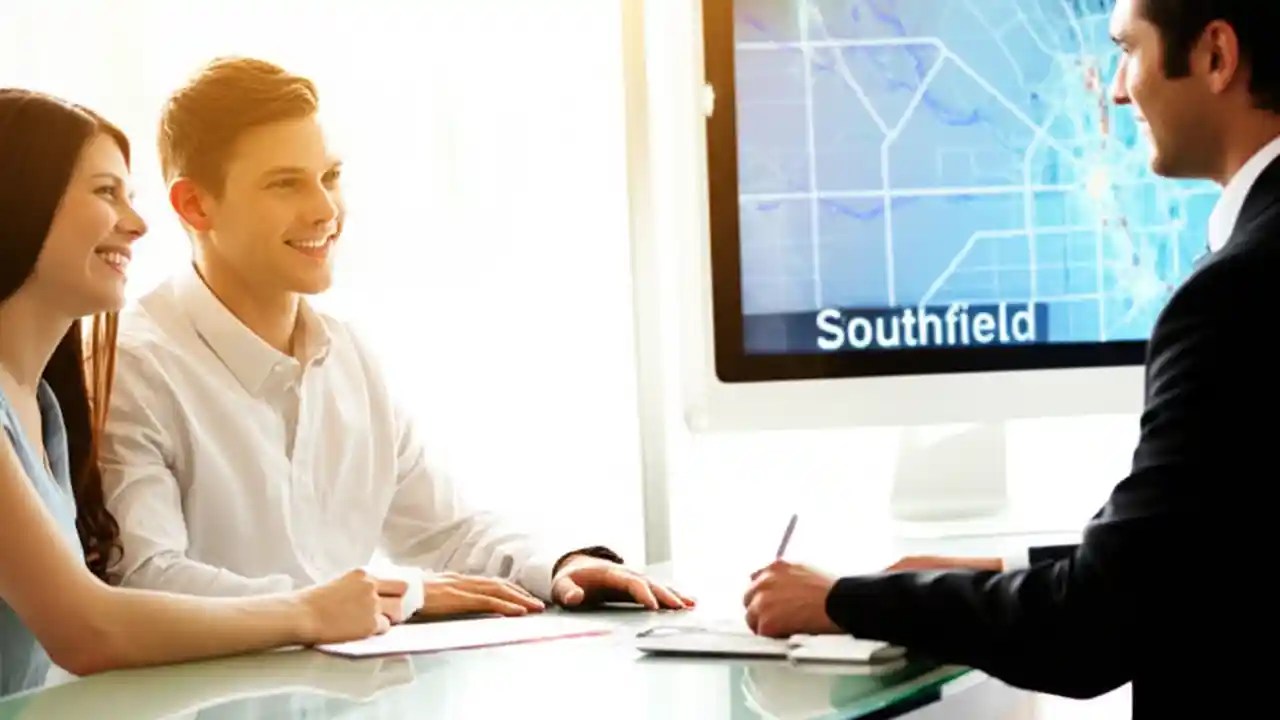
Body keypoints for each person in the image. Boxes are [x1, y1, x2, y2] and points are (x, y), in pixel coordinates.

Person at [742, 1, 1280, 717]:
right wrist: (1001, 567)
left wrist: (845, 601)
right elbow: (1207, 546)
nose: (1117, 89)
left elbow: (1094, 629)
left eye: (1128, 50)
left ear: (1216, 55)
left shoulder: (1234, 296)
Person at [99, 56, 693, 616]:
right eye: (286, 184)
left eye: (330, 176)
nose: (326, 209)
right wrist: (400, 597)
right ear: (196, 205)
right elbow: (150, 580)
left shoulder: (348, 355)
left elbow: (447, 531)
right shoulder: (129, 366)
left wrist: (565, 564)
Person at [0, 88, 406, 698]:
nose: (136, 226)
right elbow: (87, 630)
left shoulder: (45, 408)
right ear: (19, 199)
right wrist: (308, 612)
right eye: (106, 192)